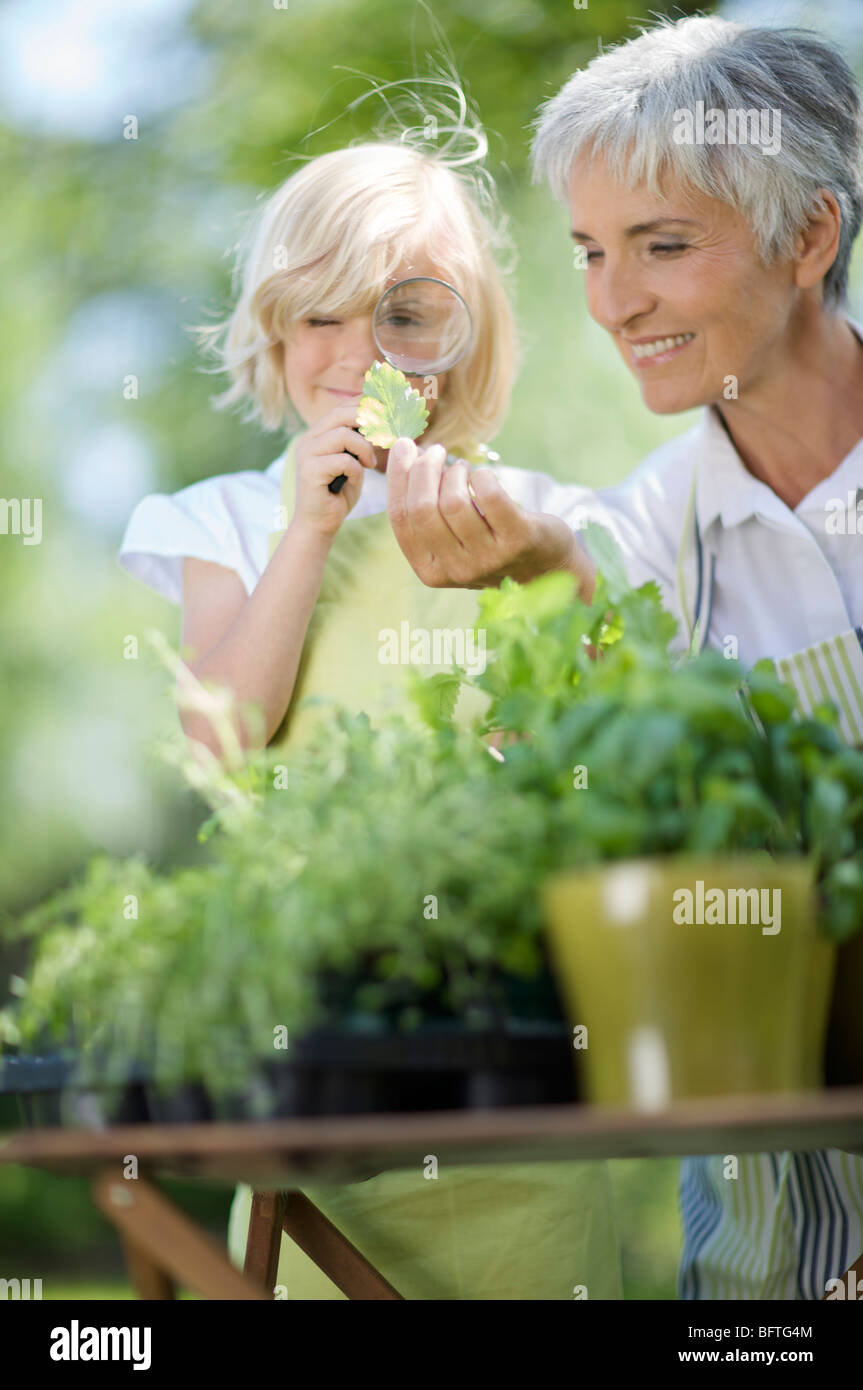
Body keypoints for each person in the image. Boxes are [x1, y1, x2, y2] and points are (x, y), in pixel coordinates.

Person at [386, 15, 863, 1299]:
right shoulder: (654, 525)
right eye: (592, 251)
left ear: (808, 236)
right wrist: (533, 568)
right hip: (763, 1273)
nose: (612, 301)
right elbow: (576, 551)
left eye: (662, 246)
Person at [117, 136, 620, 1299]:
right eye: (321, 321)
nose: (358, 357)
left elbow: (613, 718)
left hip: (515, 1073)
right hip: (318, 1080)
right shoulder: (228, 522)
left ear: (460, 341)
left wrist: (547, 571)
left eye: (403, 315)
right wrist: (308, 531)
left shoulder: (530, 515)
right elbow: (219, 748)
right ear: (275, 339)